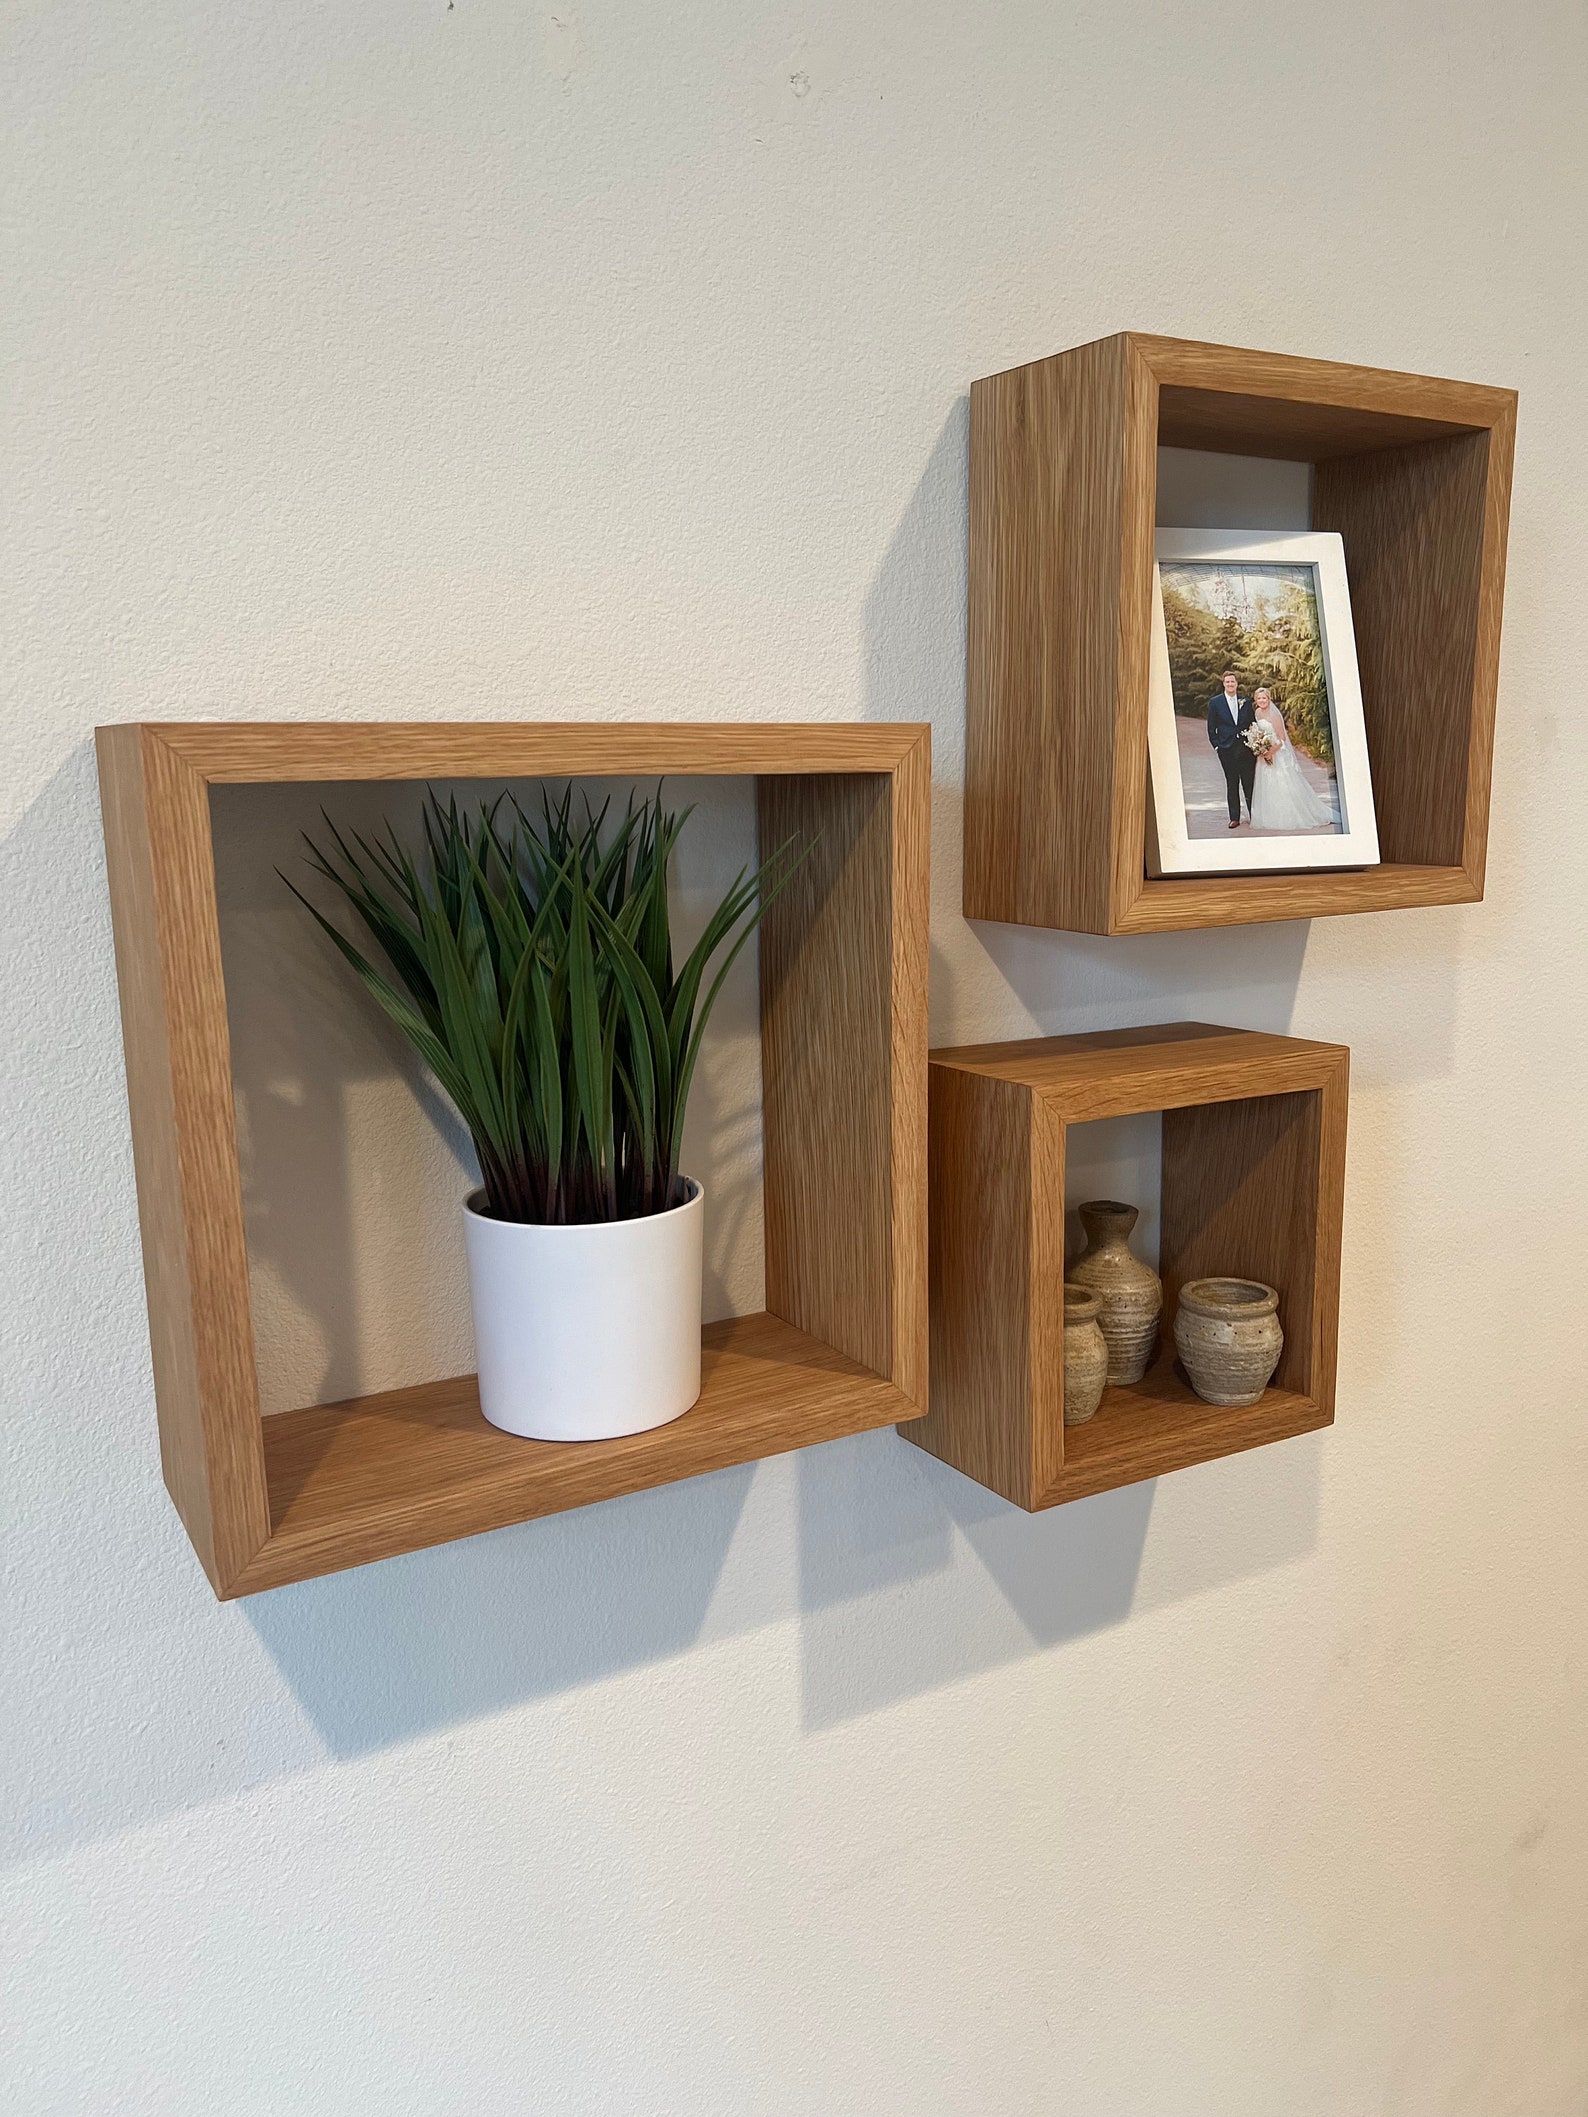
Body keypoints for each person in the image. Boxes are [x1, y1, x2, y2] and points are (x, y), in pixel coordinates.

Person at [1248, 686, 1337, 832]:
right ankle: (1268, 816)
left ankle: (1291, 815)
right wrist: (1259, 746)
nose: (1262, 701)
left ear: (1269, 699)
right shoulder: (1257, 713)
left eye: (1264, 698)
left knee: (1282, 784)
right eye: (1259, 698)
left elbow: (1281, 738)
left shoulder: (1274, 716)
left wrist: (1270, 752)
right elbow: (1259, 732)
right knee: (1266, 785)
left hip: (1277, 753)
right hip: (1264, 756)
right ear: (1256, 701)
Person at [1206, 670, 1255, 829]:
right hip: (1226, 749)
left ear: (1236, 683)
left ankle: (1254, 815)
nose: (1230, 684)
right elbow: (1211, 727)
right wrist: (1217, 746)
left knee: (1249, 783)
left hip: (1246, 749)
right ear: (1223, 684)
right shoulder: (1215, 702)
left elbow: (1252, 724)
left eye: (1232, 682)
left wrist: (1255, 743)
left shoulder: (1245, 702)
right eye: (1227, 682)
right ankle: (1234, 818)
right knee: (1232, 783)